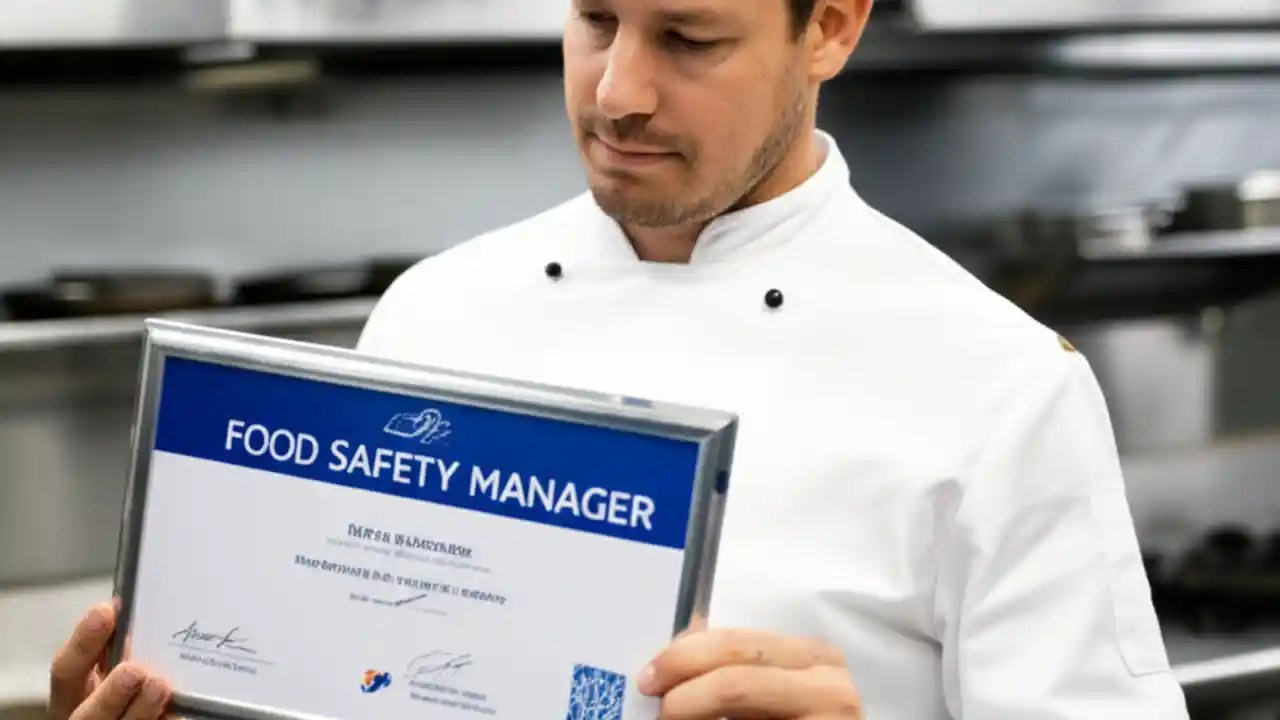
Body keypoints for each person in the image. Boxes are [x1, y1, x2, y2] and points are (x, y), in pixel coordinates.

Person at [49, 0, 1191, 718]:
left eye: (687, 39)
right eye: (595, 20)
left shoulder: (995, 382)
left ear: (832, 26)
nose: (617, 93)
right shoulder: (434, 313)